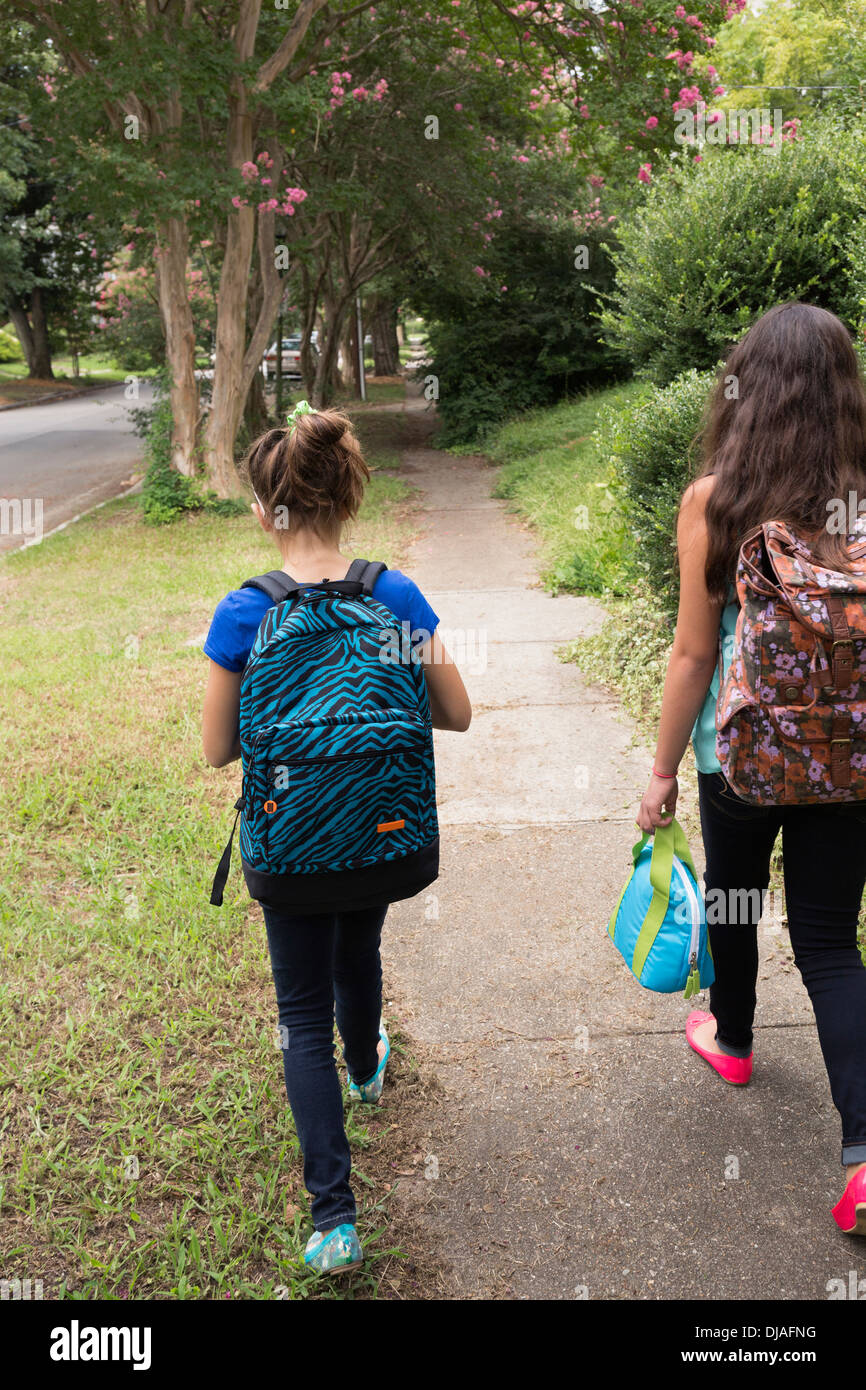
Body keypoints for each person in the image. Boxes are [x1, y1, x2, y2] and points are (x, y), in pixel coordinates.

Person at [201, 402, 471, 1273]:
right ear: (352, 496)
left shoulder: (245, 614)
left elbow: (216, 750)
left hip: (290, 849)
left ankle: (333, 1221)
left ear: (262, 512)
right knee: (362, 944)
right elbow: (457, 714)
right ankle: (367, 1064)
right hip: (386, 834)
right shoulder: (391, 595)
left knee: (298, 1014)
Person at [636, 302, 866, 1236]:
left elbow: (694, 654)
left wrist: (657, 772)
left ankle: (732, 1040)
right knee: (829, 942)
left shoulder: (716, 499)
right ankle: (863, 1160)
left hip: (739, 755)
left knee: (734, 901)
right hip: (852, 760)